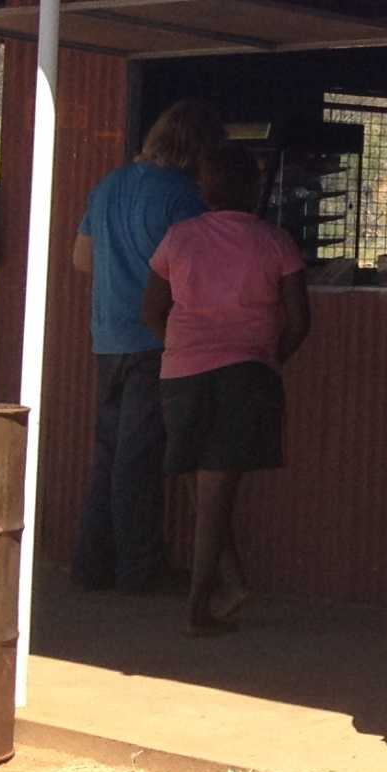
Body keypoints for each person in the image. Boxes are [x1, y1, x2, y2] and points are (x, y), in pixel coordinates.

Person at [142, 143, 309, 637]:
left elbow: (150, 309)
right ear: (254, 187)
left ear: (204, 188)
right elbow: (299, 319)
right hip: (245, 372)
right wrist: (267, 358)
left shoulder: (179, 237)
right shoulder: (275, 241)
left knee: (201, 484)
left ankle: (224, 589)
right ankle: (203, 602)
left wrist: (182, 346)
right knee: (215, 488)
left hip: (182, 373)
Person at [71, 99, 221, 594]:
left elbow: (82, 259)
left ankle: (92, 563)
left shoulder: (109, 185)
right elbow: (199, 271)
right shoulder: (184, 197)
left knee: (109, 452)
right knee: (139, 456)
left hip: (108, 336)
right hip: (157, 338)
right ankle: (140, 567)